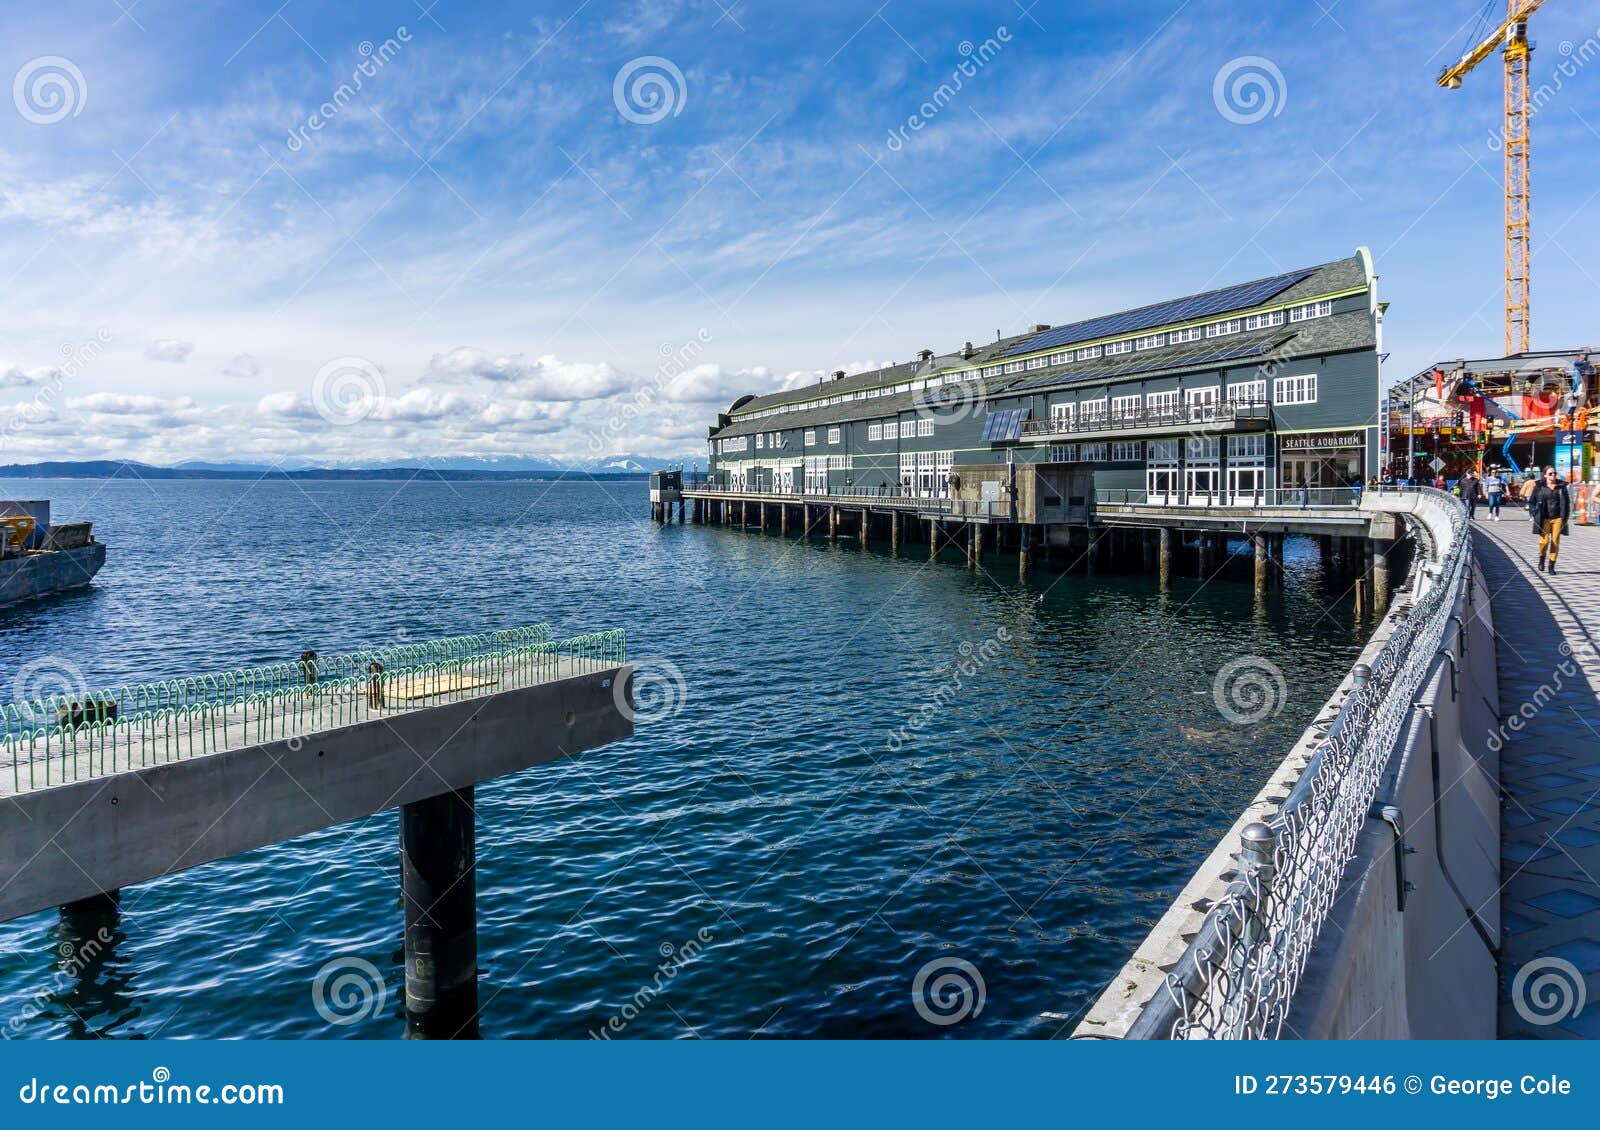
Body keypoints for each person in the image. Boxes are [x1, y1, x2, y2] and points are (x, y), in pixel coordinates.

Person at [1529, 467, 1571, 574]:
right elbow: (1531, 502)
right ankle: (1542, 558)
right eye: (1550, 473)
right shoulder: (1539, 487)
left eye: (1554, 473)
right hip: (1544, 518)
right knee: (1544, 541)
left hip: (1558, 518)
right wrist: (1534, 513)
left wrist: (1565, 517)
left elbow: (1567, 503)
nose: (1553, 475)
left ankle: (1551, 565)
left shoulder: (1562, 487)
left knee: (1555, 541)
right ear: (1545, 475)